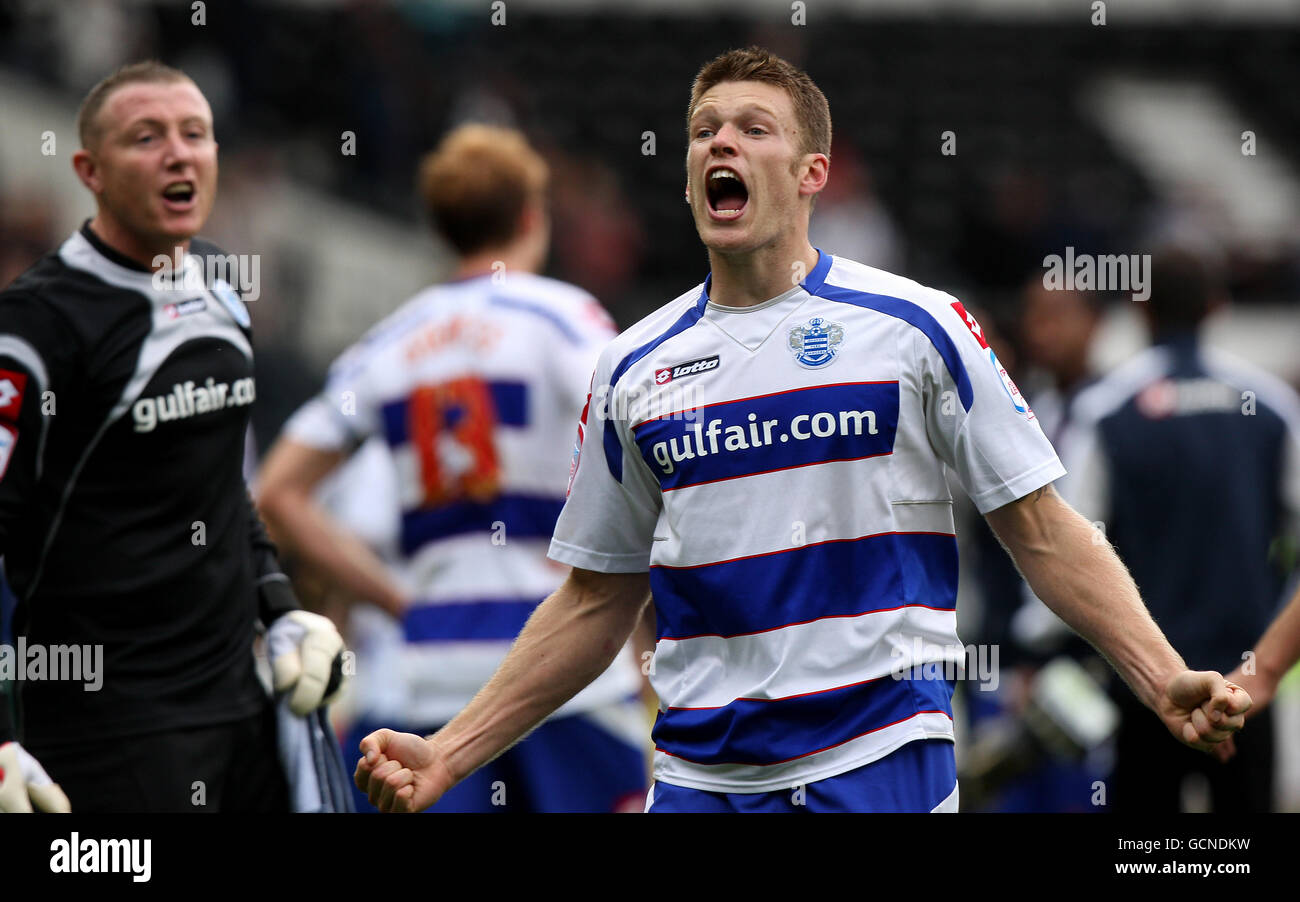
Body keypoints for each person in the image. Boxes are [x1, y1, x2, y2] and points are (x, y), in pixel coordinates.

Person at [355, 47, 1250, 814]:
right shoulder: (632, 367)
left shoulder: (917, 327)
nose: (721, 143)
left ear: (812, 173)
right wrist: (454, 750)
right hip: (701, 774)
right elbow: (594, 601)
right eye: (705, 129)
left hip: (879, 757)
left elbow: (1044, 530)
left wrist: (1160, 674)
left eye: (753, 128)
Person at [256, 124, 649, 813]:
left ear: (442, 228)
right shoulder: (562, 319)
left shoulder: (391, 343)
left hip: (430, 685)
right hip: (564, 677)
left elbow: (279, 494)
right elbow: (651, 431)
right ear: (533, 217)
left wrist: (400, 600)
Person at [0, 61, 344, 813]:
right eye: (145, 138)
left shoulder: (222, 284)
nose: (178, 154)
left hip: (241, 711)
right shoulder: (36, 327)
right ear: (89, 170)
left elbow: (221, 493)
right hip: (105, 727)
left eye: (195, 135)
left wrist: (282, 608)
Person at [1055, 247, 1300, 811]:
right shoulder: (1269, 405)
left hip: (1145, 682)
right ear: (1217, 307)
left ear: (1141, 308)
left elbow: (1069, 539)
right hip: (1247, 684)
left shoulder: (1105, 409)